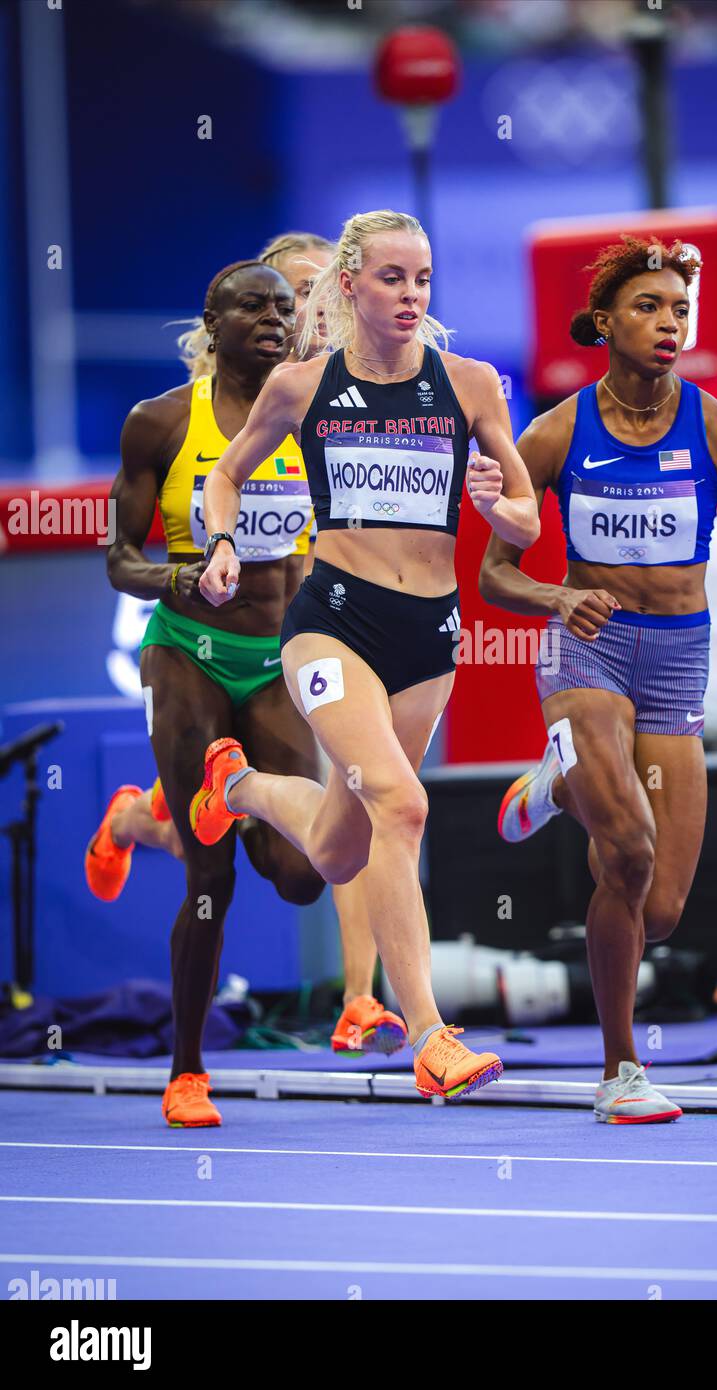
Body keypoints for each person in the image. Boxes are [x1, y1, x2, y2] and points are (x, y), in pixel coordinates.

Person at [192, 209, 540, 1101]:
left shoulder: (469, 386)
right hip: (332, 622)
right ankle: (429, 1035)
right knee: (400, 803)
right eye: (393, 279)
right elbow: (226, 474)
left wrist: (500, 506)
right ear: (350, 286)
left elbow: (528, 521)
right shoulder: (301, 388)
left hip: (429, 636)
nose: (412, 296)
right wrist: (222, 544)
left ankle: (237, 789)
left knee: (340, 851)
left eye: (423, 280)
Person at [483, 236, 717, 1123]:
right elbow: (497, 571)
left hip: (680, 657)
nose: (669, 325)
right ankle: (620, 1071)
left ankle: (558, 781)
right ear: (605, 323)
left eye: (680, 312)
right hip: (592, 652)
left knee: (662, 906)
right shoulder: (554, 433)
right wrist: (555, 594)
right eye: (649, 308)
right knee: (629, 846)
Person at [91, 259, 327, 1128]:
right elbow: (119, 559)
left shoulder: (318, 417)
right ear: (212, 320)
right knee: (211, 870)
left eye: (285, 308)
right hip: (187, 650)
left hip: (274, 657)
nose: (274, 318)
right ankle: (188, 1071)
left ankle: (156, 808)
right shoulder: (159, 422)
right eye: (254, 307)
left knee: (299, 873)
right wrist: (176, 578)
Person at [261, 231, 404, 1057]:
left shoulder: (371, 386)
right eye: (294, 292)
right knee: (209, 823)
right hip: (241, 639)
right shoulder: (247, 399)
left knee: (362, 800)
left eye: (325, 287)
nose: (313, 306)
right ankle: (140, 819)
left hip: (331, 632)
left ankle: (359, 998)